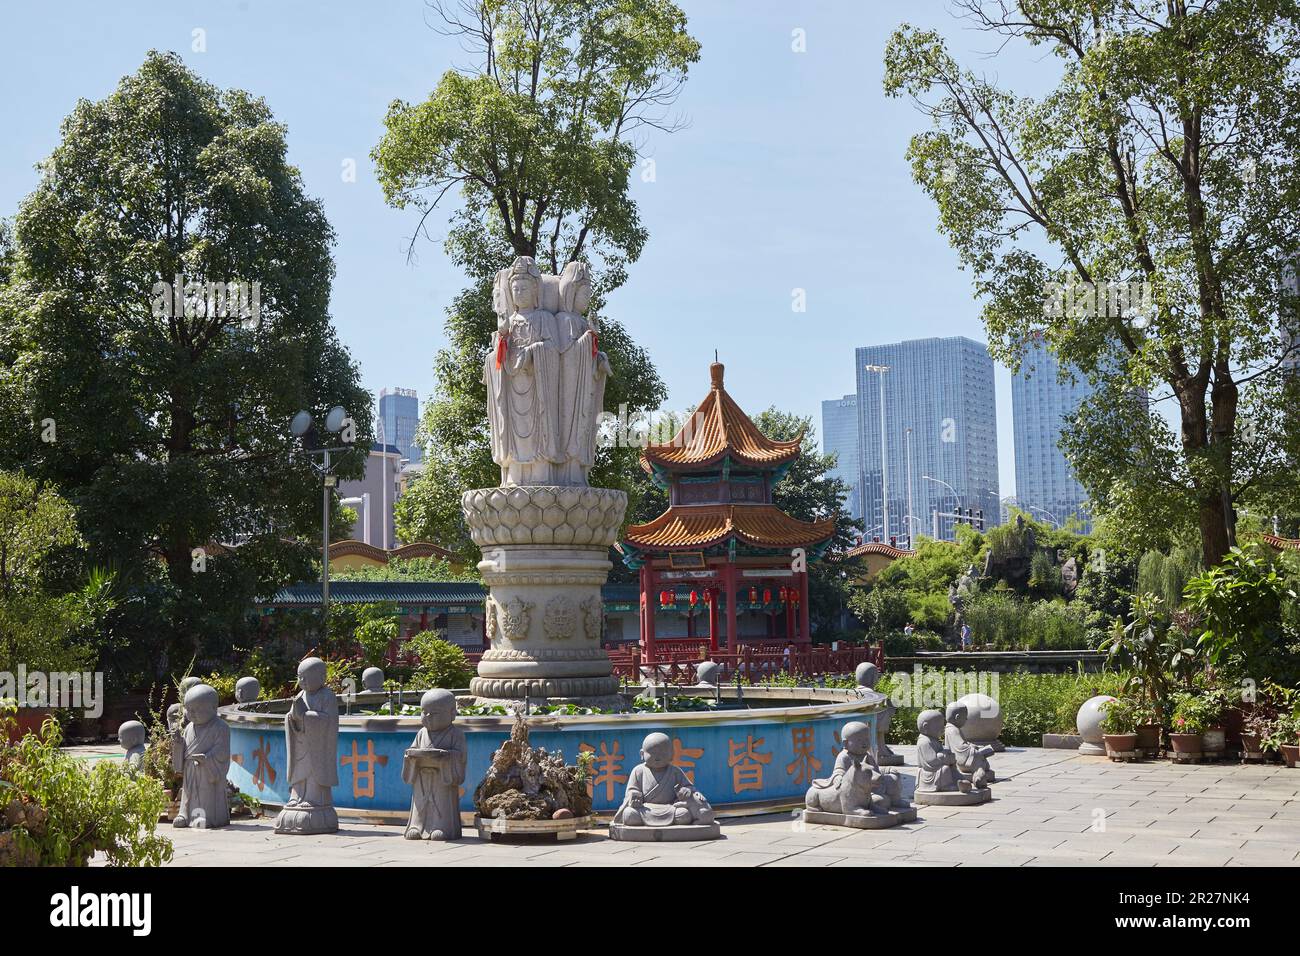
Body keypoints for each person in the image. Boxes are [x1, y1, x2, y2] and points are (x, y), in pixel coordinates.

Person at [403, 690, 467, 841]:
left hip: (442, 778)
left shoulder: (456, 734)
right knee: (420, 802)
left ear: (452, 714)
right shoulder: (421, 733)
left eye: (435, 713)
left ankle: (442, 826)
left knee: (441, 800)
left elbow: (460, 757)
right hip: (421, 778)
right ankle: (416, 826)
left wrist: (445, 757)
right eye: (424, 712)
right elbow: (412, 750)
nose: (428, 717)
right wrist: (410, 757)